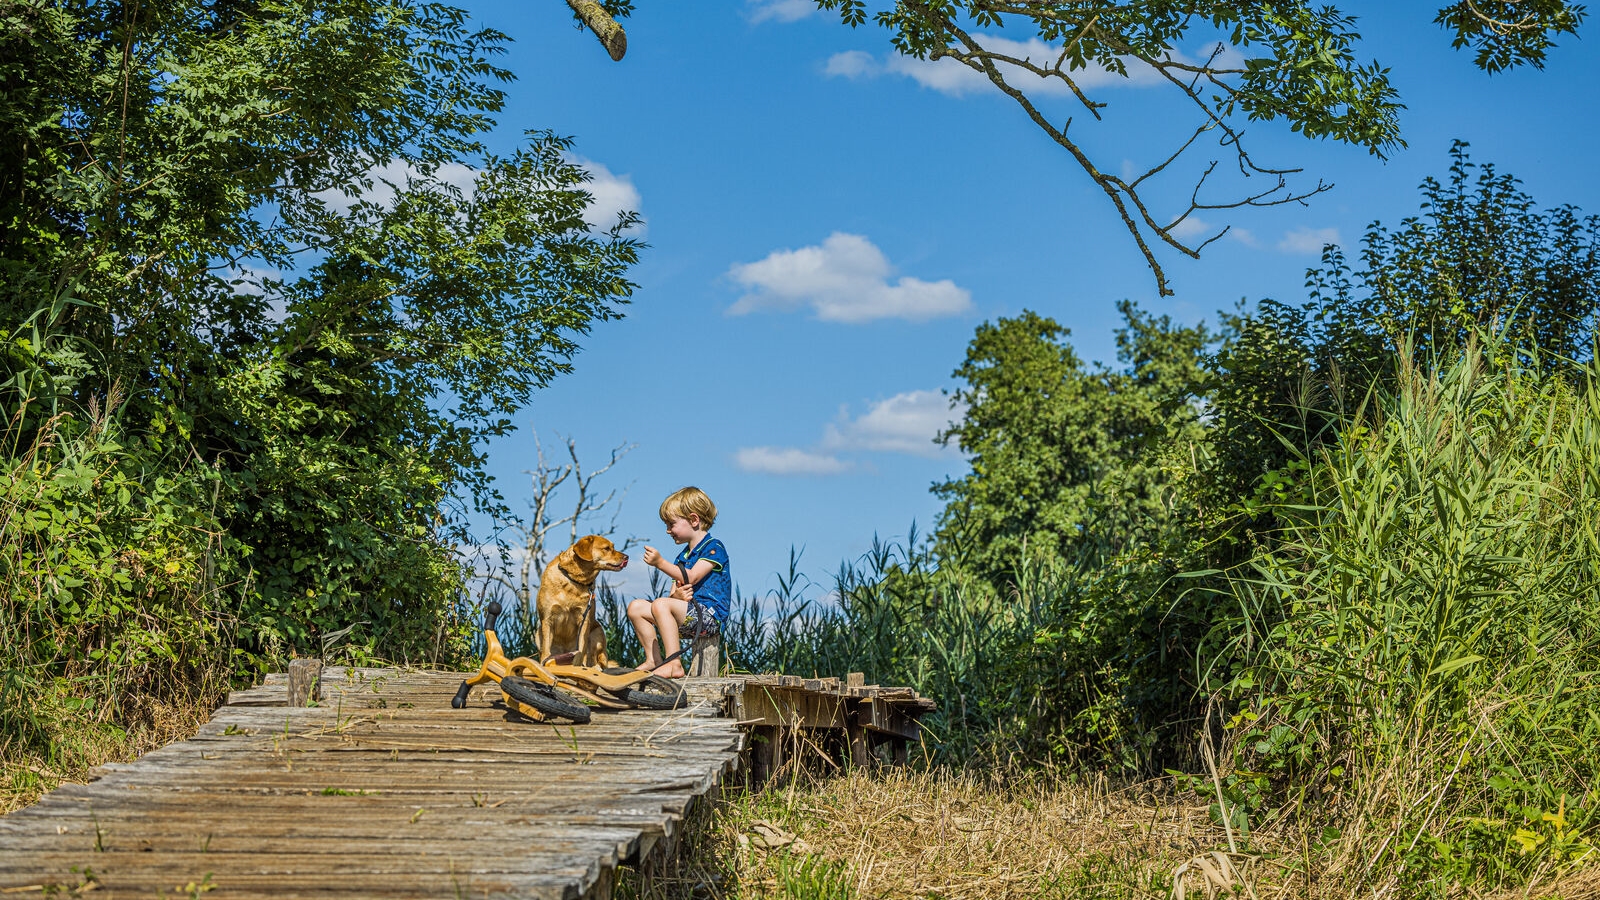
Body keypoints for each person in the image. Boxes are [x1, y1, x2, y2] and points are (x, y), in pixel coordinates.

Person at [627, 486, 730, 678]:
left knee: (660, 604)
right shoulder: (682, 556)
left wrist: (660, 563)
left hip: (709, 617)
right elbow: (673, 593)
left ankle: (674, 662)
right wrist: (676, 596)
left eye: (671, 524)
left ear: (693, 520)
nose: (667, 531)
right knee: (636, 607)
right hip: (688, 615)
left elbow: (691, 577)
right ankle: (653, 659)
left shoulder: (714, 547)